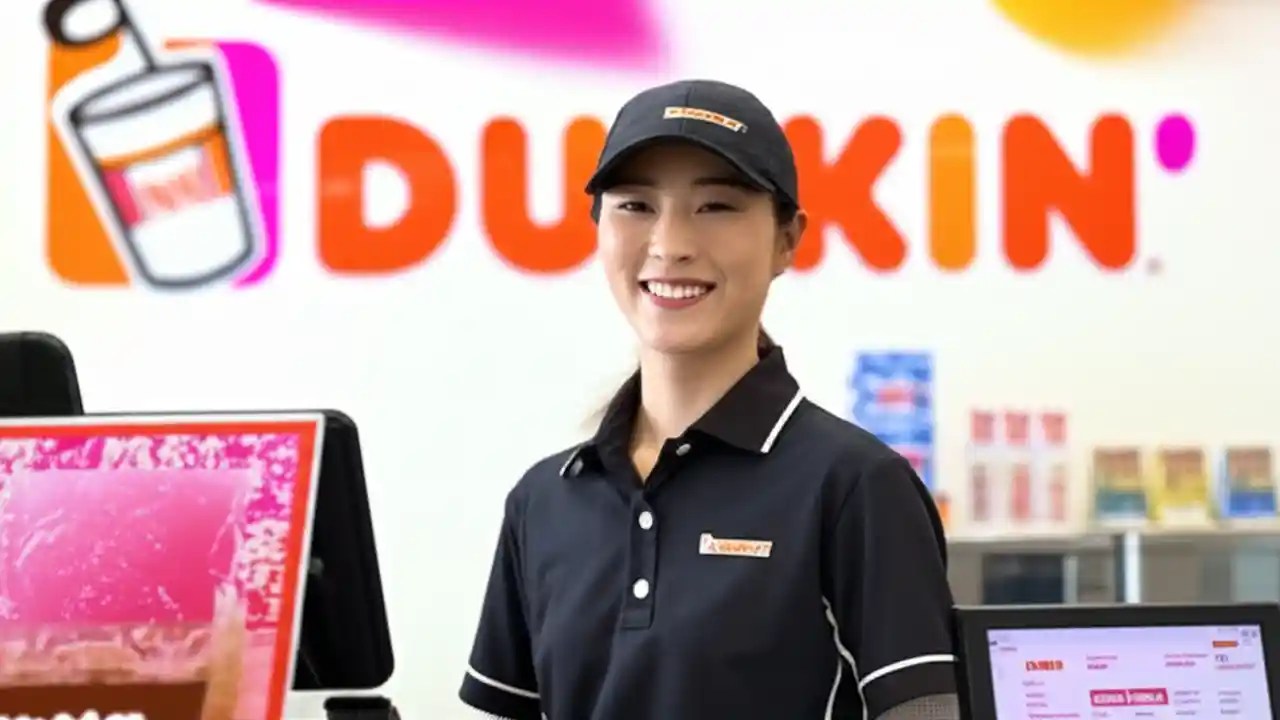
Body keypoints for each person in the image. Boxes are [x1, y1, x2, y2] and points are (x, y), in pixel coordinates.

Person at [459, 79, 961, 720]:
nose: (670, 244)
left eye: (717, 206)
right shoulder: (545, 500)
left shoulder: (856, 487)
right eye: (635, 206)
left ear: (787, 240)